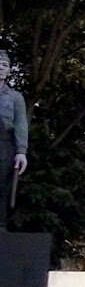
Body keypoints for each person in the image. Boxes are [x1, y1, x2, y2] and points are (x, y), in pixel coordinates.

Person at [0, 50, 28, 229]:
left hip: (4, 144)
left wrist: (21, 152)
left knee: (2, 186)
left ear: (9, 70)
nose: (0, 68)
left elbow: (20, 124)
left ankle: (0, 225)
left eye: (4, 65)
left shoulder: (15, 97)